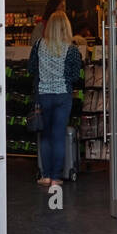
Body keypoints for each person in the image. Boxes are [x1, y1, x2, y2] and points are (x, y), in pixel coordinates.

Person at [28, 10, 82, 187]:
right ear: (66, 28)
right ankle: (55, 177)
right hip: (62, 96)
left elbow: (31, 69)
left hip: (43, 95)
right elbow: (75, 76)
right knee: (58, 136)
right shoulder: (72, 49)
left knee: (45, 136)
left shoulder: (38, 45)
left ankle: (45, 175)